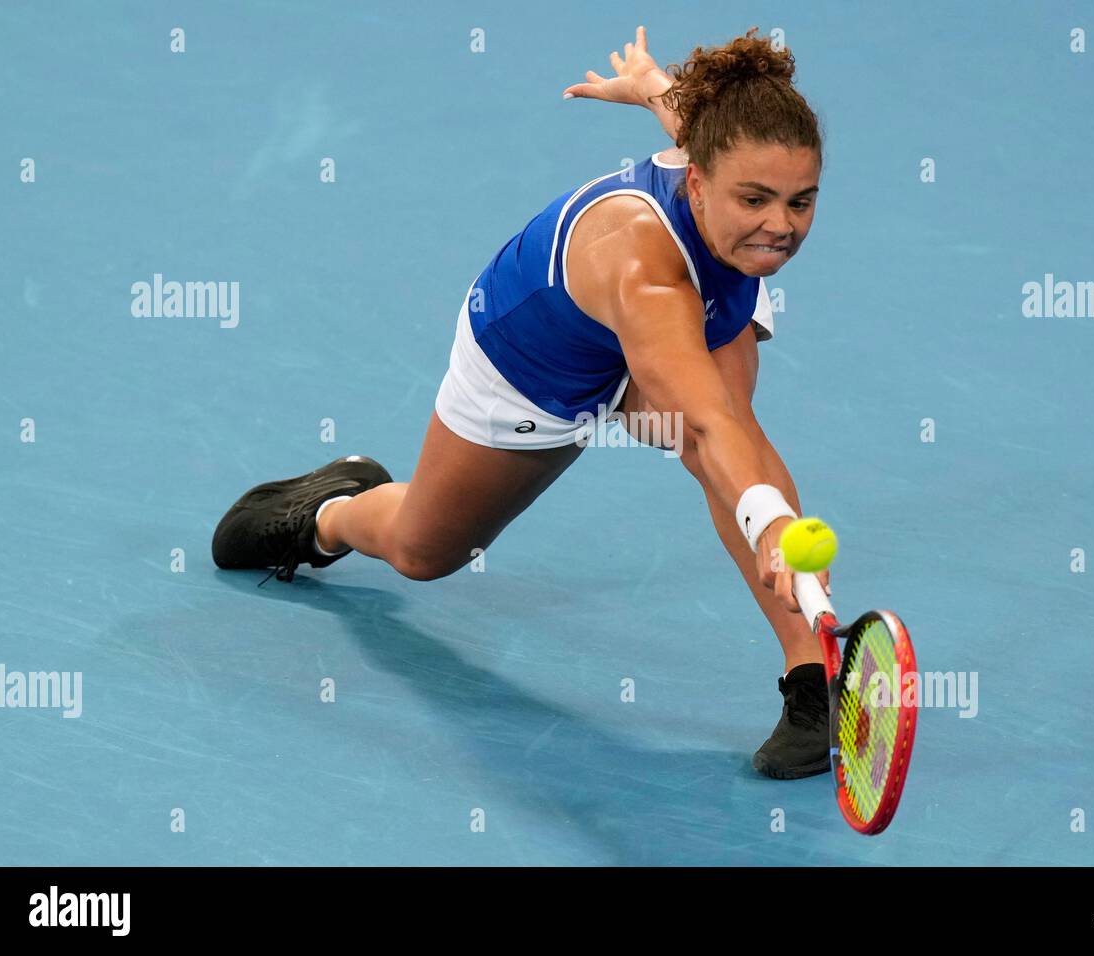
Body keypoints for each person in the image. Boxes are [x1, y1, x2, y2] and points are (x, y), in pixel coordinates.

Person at [213, 27, 833, 778]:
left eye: (801, 201)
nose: (781, 225)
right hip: (535, 361)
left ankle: (813, 676)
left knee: (725, 448)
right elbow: (703, 418)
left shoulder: (730, 186)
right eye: (757, 199)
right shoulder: (640, 260)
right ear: (696, 183)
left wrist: (648, 86)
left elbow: (716, 427)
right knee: (423, 552)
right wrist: (770, 521)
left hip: (684, 311)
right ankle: (327, 512)